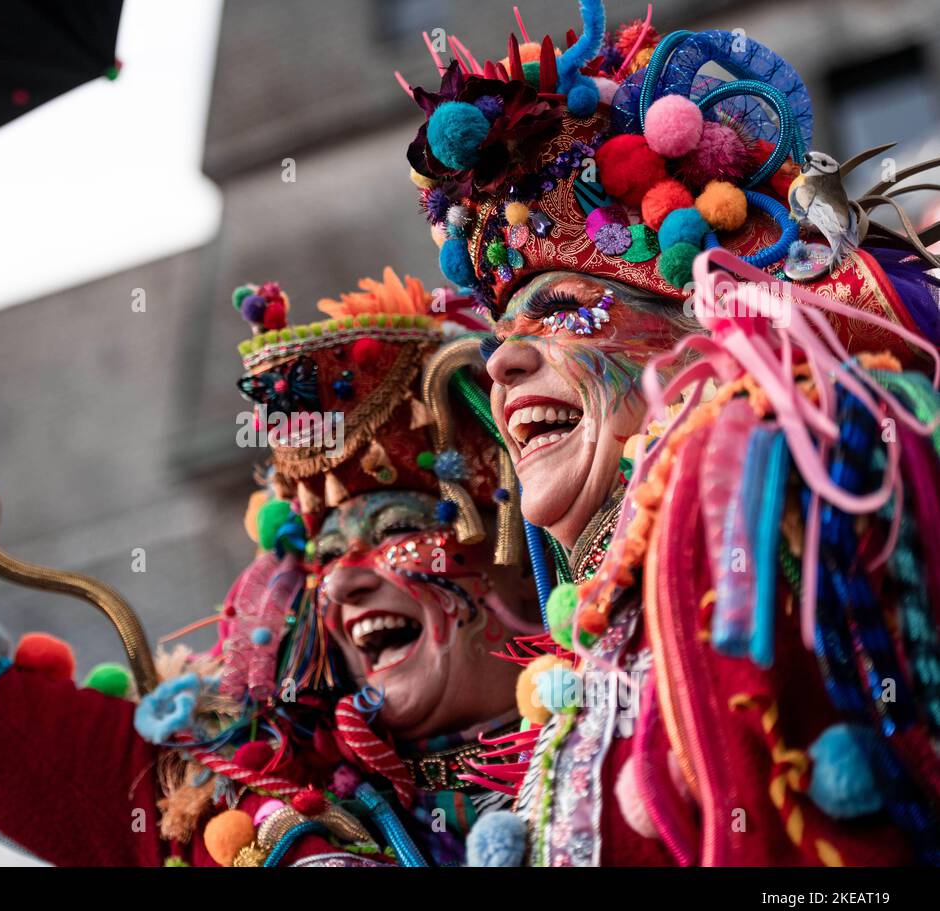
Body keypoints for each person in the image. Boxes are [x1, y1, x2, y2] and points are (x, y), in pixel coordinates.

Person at [0, 272, 540, 866]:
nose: (343, 582)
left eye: (392, 526)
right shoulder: (227, 812)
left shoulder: (649, 709)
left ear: (516, 534)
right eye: (320, 553)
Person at [402, 0, 940, 864]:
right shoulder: (597, 652)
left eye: (566, 312)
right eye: (498, 341)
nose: (498, 370)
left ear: (705, 333)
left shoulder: (774, 502)